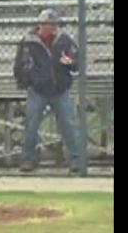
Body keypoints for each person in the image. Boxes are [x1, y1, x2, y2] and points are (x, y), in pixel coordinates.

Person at [13, 9, 86, 175]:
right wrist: (28, 82)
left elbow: (78, 61)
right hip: (38, 90)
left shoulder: (64, 40)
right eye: (50, 24)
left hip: (60, 88)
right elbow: (20, 65)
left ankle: (76, 159)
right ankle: (28, 159)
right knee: (31, 126)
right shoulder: (29, 41)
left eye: (55, 23)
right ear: (41, 24)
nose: (54, 27)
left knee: (68, 124)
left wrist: (71, 62)